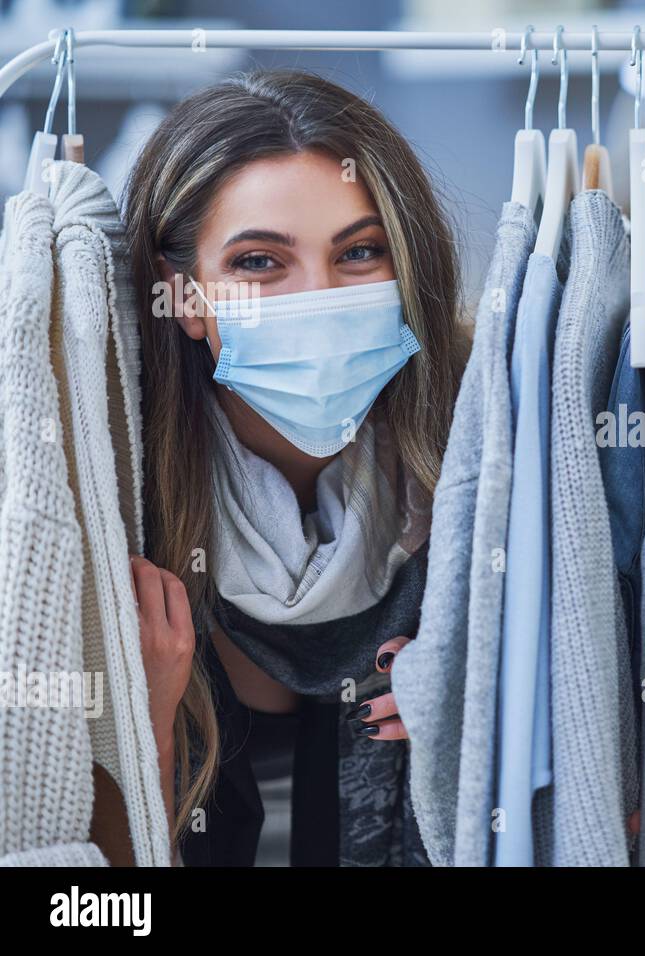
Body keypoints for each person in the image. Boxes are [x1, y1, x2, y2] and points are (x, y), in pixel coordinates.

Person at [105, 69, 466, 866]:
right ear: (185, 297)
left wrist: (494, 719)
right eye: (260, 262)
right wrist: (140, 725)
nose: (319, 298)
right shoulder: (114, 515)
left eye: (360, 252)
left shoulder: (485, 483)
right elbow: (85, 907)